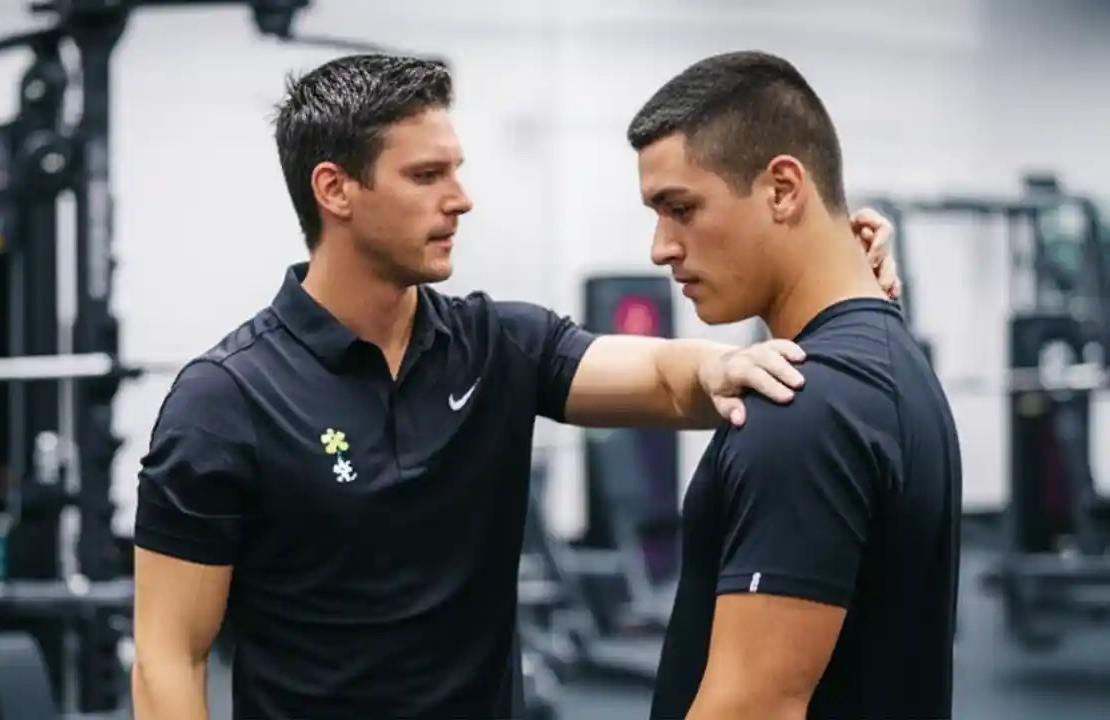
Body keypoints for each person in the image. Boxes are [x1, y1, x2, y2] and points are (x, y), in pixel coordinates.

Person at [129, 53, 900, 720]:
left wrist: (796, 300)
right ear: (335, 190)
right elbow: (169, 659)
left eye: (456, 171)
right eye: (427, 176)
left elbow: (669, 382)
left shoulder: (495, 345)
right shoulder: (224, 402)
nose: (460, 198)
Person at [627, 50, 962, 720]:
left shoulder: (800, 407)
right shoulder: (892, 364)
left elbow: (752, 709)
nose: (660, 247)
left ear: (783, 189)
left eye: (680, 208)